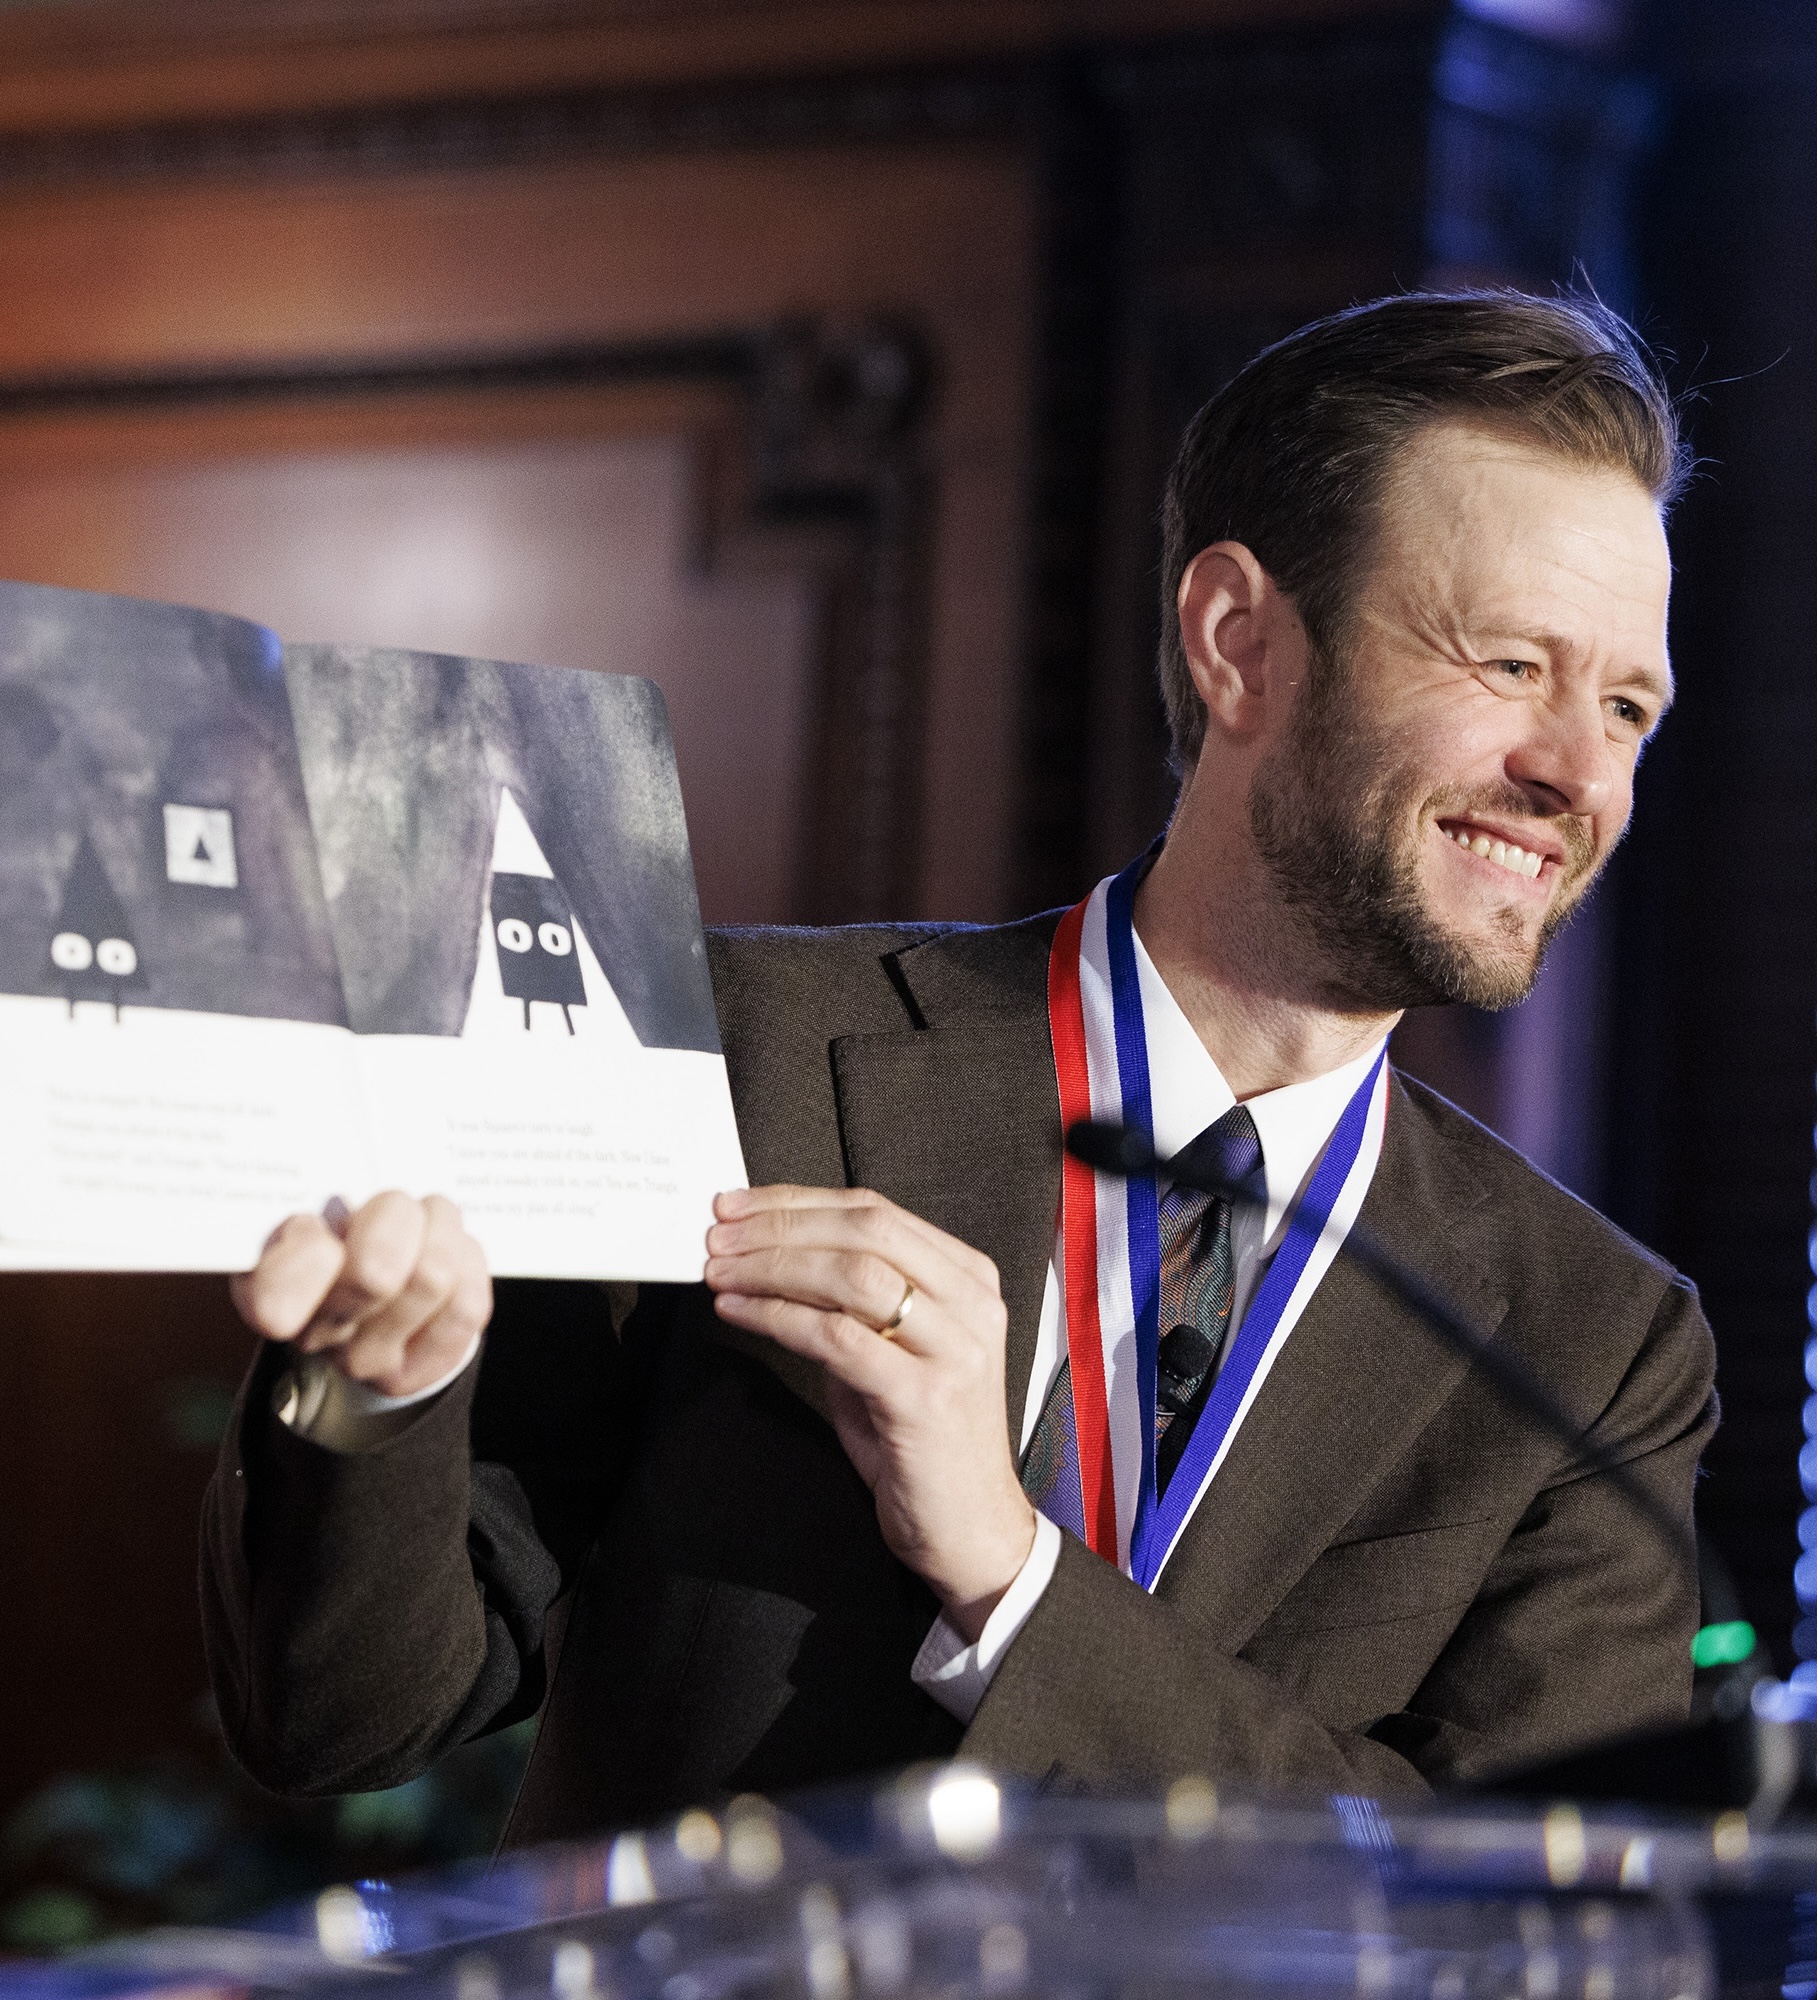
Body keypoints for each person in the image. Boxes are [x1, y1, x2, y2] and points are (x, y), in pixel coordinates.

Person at [201, 290, 1717, 1838]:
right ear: (1239, 643)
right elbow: (341, 1716)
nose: (1577, 774)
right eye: (1510, 664)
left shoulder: (1596, 1345)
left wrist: (1010, 1574)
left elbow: (1513, 1902)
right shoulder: (743, 1055)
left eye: (1624, 706)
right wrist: (380, 1392)